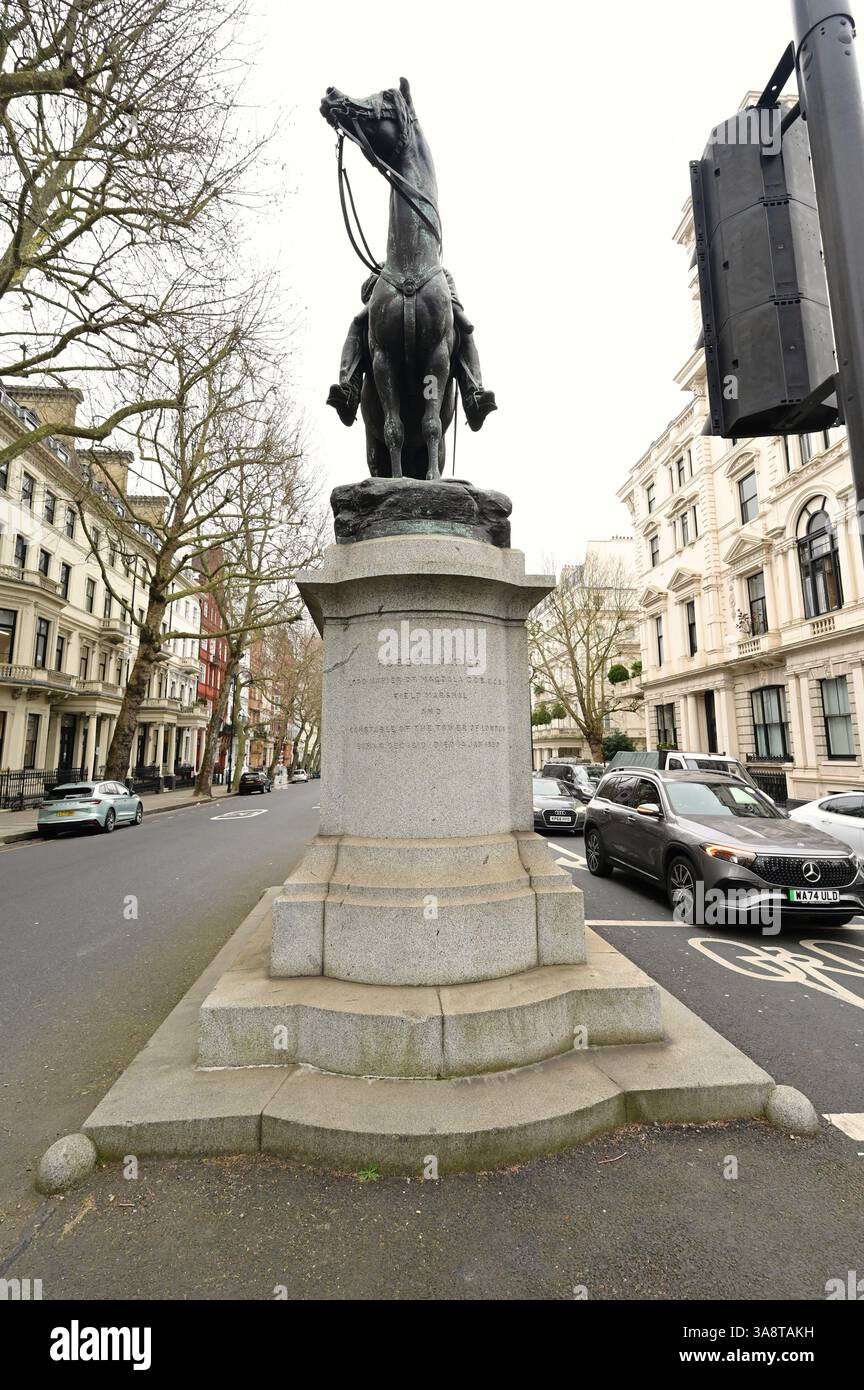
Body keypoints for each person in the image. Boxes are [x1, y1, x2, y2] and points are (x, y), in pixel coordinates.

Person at [327, 268, 497, 431]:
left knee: (464, 331)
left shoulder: (441, 272)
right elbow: (365, 293)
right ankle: (349, 390)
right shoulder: (383, 267)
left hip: (432, 363)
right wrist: (381, 279)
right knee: (356, 326)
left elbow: (454, 303)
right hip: (383, 321)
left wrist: (455, 309)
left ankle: (473, 396)